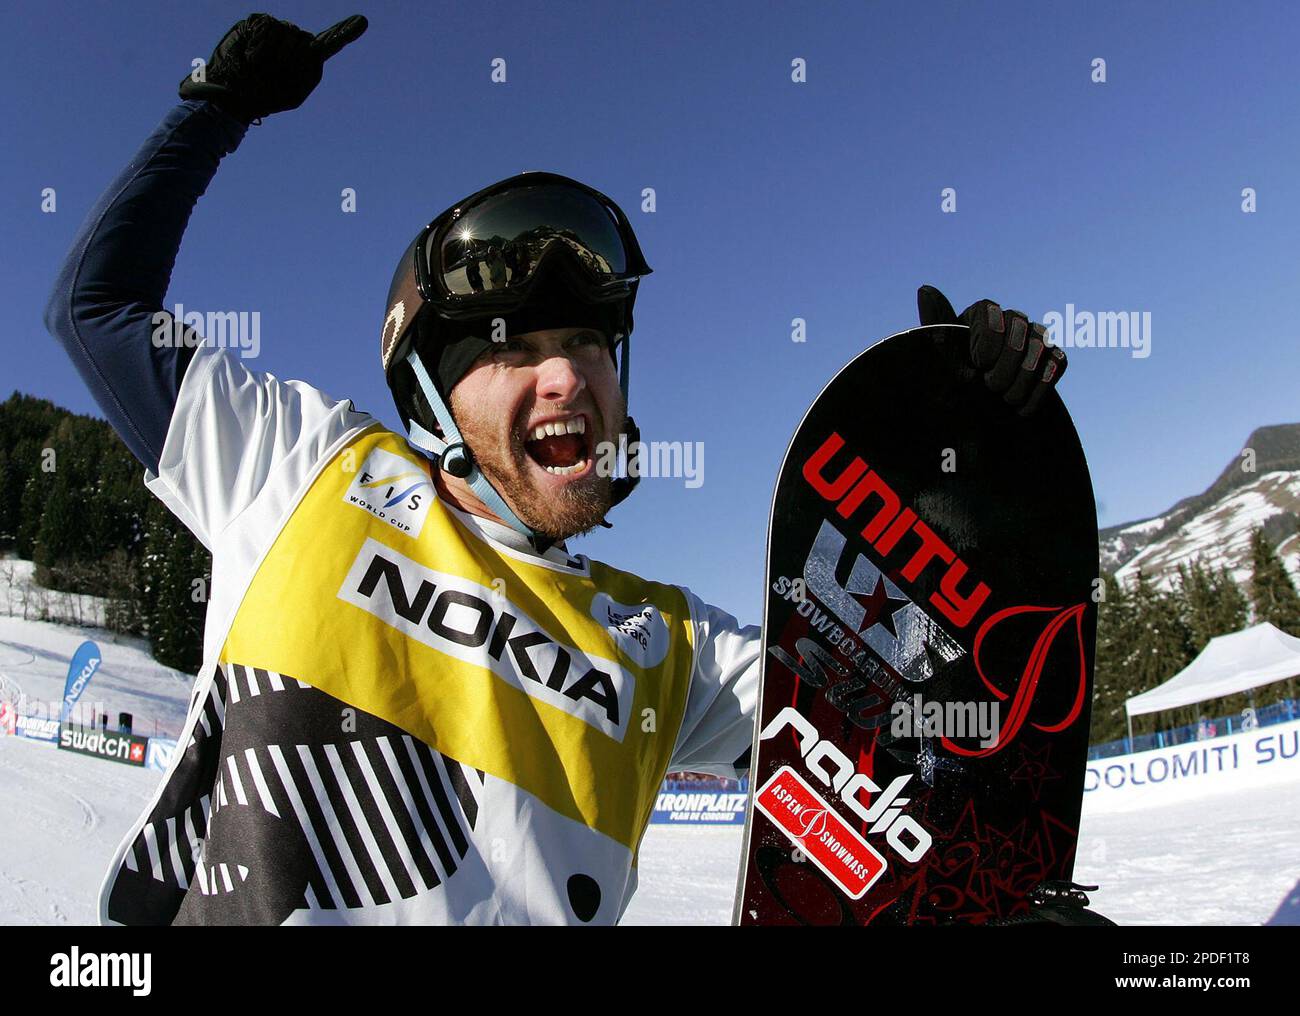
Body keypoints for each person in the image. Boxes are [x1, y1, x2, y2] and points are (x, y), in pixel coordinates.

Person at [44, 14, 1066, 926]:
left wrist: (953, 480)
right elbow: (94, 310)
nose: (568, 376)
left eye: (589, 342)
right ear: (429, 397)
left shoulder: (671, 649)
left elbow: (922, 725)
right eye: (512, 350)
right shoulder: (299, 464)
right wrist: (214, 114)